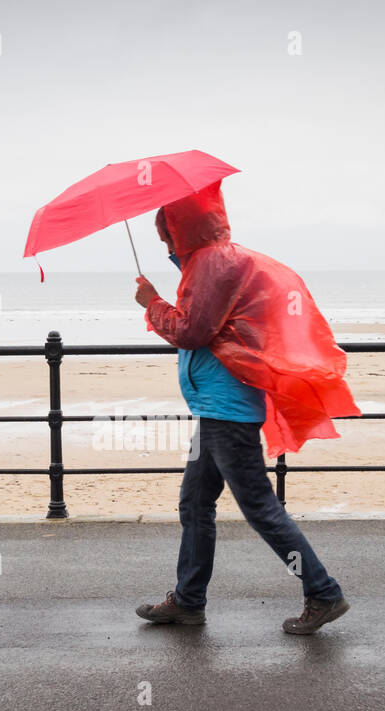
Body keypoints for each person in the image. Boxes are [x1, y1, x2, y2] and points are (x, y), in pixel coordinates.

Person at [132, 181, 360, 635]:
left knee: (259, 507)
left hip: (226, 409)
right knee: (195, 504)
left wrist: (152, 303)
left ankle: (323, 592)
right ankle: (189, 600)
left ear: (183, 228)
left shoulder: (213, 264)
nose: (164, 243)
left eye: (167, 233)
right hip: (215, 407)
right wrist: (175, 272)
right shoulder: (214, 260)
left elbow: (192, 330)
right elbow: (205, 304)